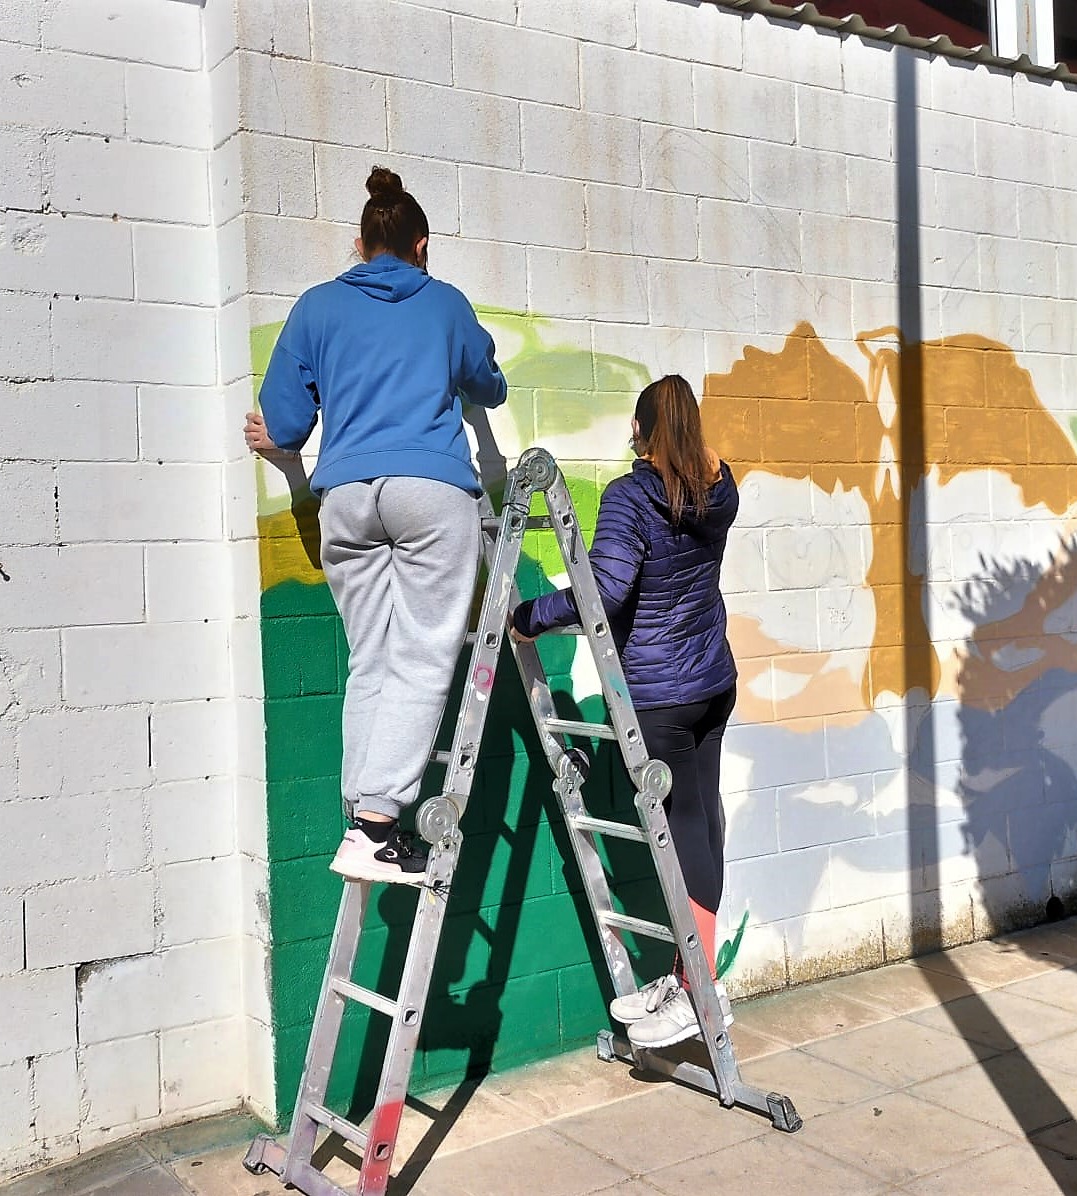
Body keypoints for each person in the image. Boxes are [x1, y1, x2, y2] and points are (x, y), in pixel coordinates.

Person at [245, 167, 507, 886]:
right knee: (423, 657)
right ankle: (378, 827)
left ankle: (360, 817)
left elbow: (288, 424)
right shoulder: (444, 303)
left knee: (372, 659)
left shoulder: (317, 307)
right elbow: (490, 382)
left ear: (360, 244)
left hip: (346, 498)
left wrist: (276, 443)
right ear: (421, 245)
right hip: (429, 492)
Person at [509, 375, 740, 1050]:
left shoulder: (632, 496)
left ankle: (699, 990)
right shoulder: (721, 491)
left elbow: (602, 594)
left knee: (686, 836)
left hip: (663, 697)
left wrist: (529, 616)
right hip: (712, 684)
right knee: (703, 824)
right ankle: (690, 979)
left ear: (639, 432)